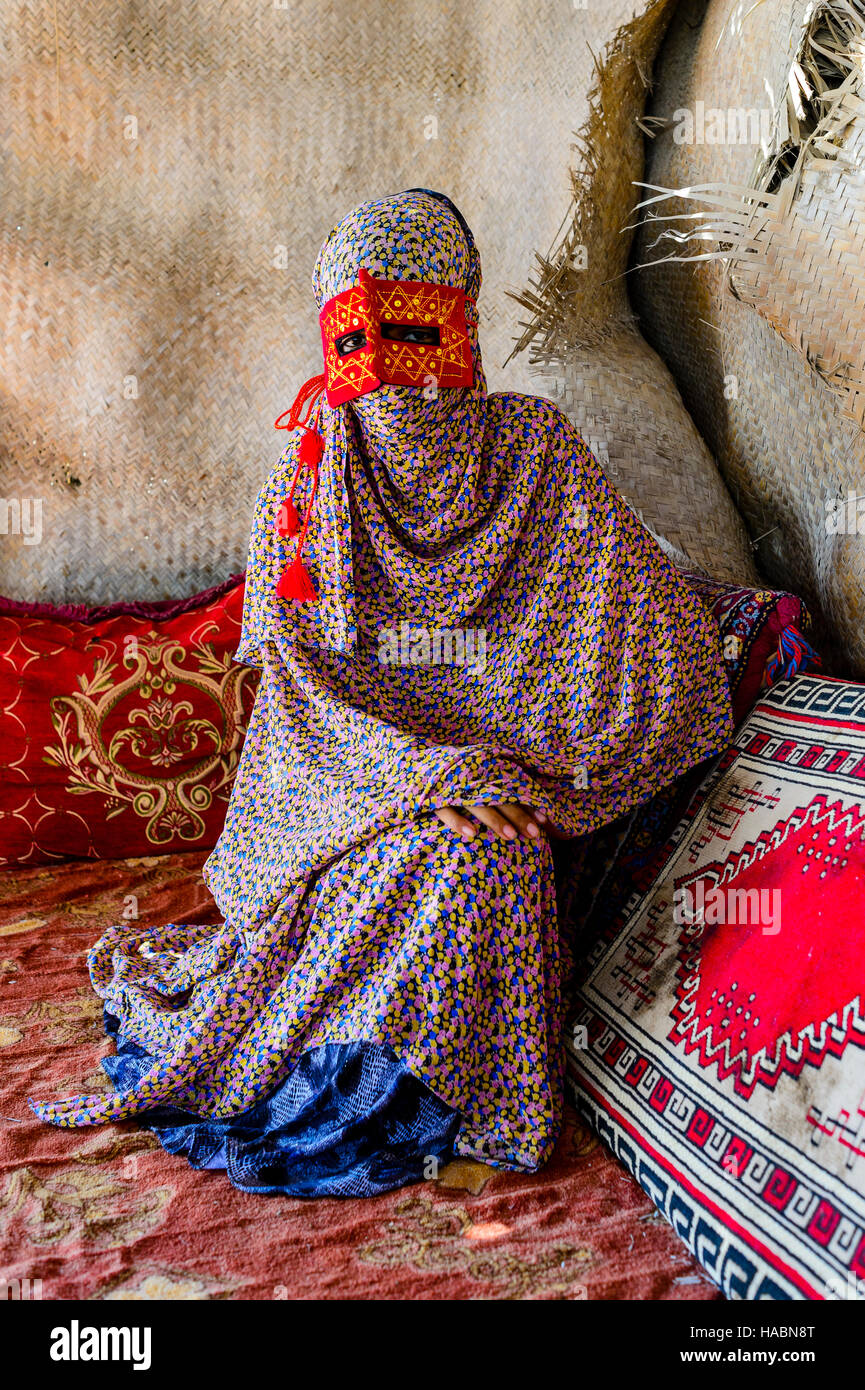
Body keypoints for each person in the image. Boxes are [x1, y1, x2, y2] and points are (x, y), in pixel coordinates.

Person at [32, 190, 733, 1196]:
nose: (396, 370)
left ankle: (450, 1099)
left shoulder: (538, 454)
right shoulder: (307, 479)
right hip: (333, 799)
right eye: (362, 334)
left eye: (415, 327)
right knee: (460, 855)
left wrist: (522, 764)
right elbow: (301, 703)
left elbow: (642, 645)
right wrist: (430, 772)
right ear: (329, 336)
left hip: (511, 786)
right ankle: (358, 1090)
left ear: (464, 321)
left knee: (497, 852)